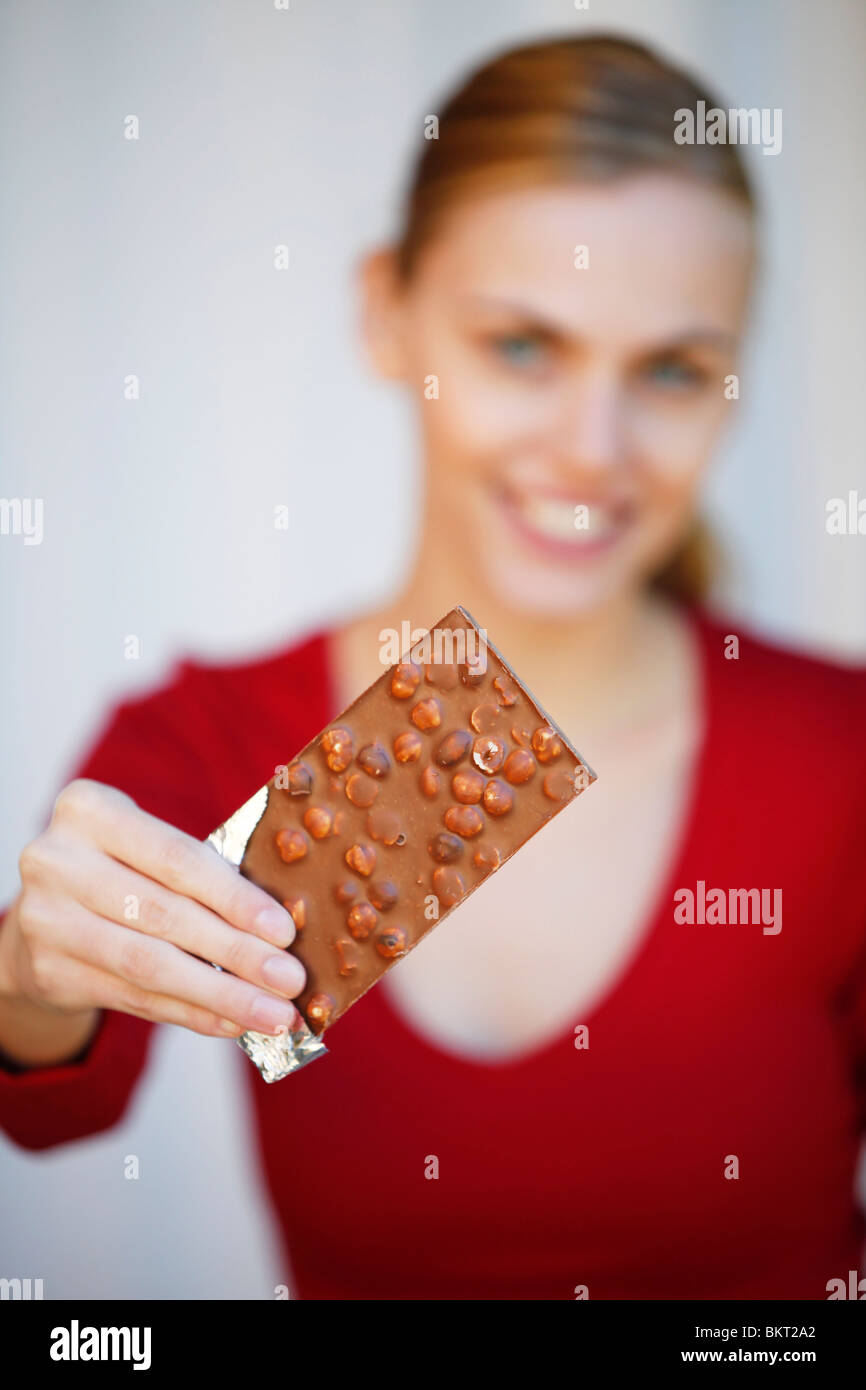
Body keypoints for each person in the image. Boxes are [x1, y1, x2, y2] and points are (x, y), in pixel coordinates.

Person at [1, 34, 864, 1301]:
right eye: (522, 345)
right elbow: (46, 1109)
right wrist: (27, 964)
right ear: (383, 311)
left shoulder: (840, 755)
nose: (590, 449)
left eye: (669, 370)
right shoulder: (212, 739)